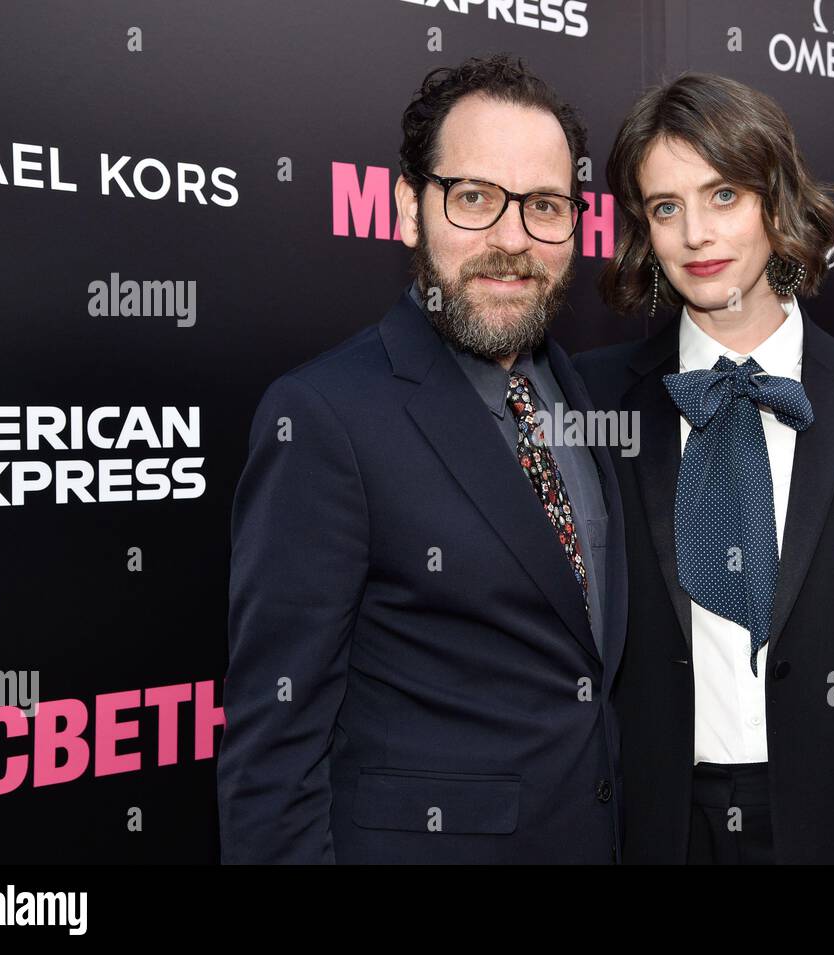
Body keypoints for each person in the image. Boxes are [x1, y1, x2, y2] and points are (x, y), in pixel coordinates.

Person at [575, 72, 834, 864]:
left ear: (776, 200)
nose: (696, 233)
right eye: (666, 207)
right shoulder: (595, 398)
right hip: (659, 827)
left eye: (724, 195)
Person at [218, 53, 627, 863]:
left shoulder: (579, 392)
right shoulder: (324, 418)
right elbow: (274, 753)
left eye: (544, 206)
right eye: (474, 197)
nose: (512, 240)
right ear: (410, 207)